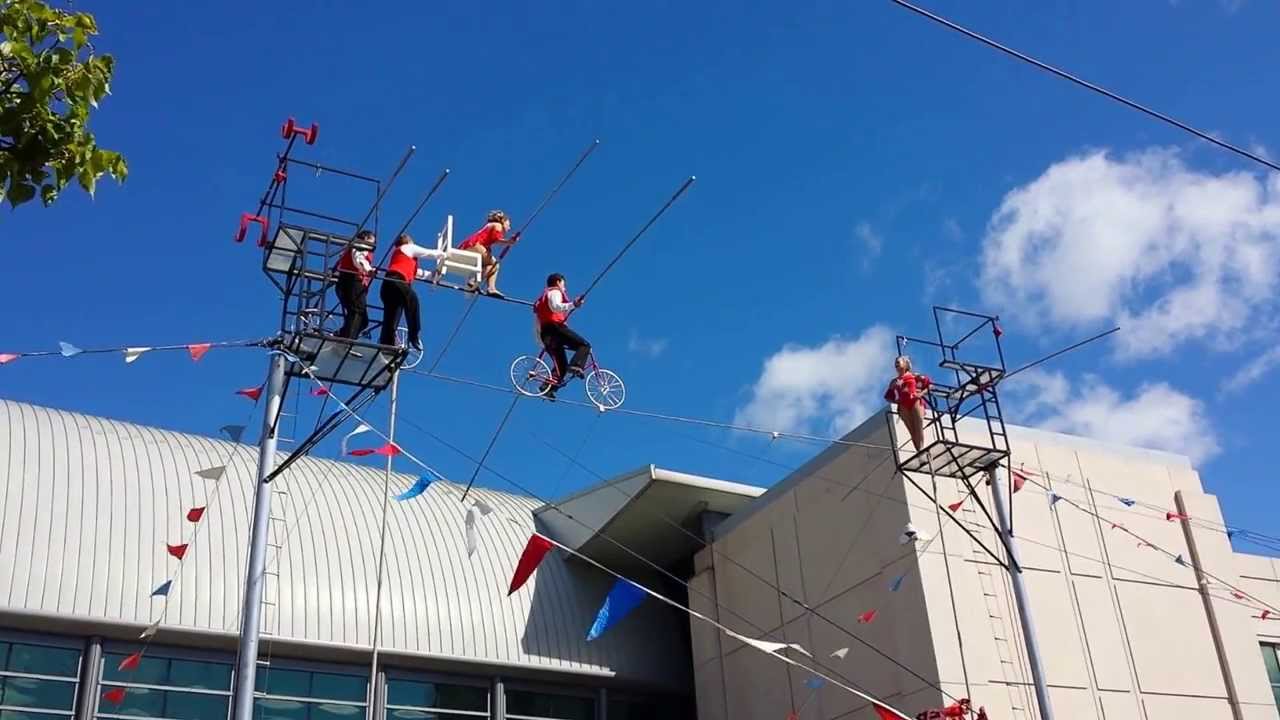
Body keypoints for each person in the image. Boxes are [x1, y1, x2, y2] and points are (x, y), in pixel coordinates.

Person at [378, 233, 445, 351]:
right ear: (408, 241)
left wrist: (434, 274)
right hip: (396, 281)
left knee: (391, 318)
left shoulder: (404, 257)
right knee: (412, 301)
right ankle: (413, 335)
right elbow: (430, 253)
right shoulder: (408, 247)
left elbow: (420, 273)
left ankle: (386, 346)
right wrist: (444, 255)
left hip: (388, 286)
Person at [533, 273, 588, 399]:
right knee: (584, 345)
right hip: (555, 329)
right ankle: (577, 365)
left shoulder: (541, 301)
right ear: (558, 282)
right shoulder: (554, 292)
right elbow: (556, 306)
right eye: (564, 284)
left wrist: (541, 341)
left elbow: (537, 323)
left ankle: (547, 388)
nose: (565, 288)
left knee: (562, 367)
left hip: (546, 334)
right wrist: (573, 304)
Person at [458, 210, 515, 297]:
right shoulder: (498, 225)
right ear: (503, 221)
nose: (509, 227)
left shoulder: (490, 226)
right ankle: (487, 286)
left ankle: (480, 283)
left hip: (468, 246)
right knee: (495, 264)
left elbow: (491, 240)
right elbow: (496, 239)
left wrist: (508, 242)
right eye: (508, 224)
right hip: (475, 245)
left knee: (490, 265)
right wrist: (509, 241)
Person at [333, 230, 376, 340]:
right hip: (352, 282)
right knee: (357, 311)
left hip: (344, 284)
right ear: (366, 238)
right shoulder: (360, 245)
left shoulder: (351, 247)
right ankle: (348, 340)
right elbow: (359, 259)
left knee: (363, 319)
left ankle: (342, 334)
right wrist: (368, 269)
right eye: (371, 242)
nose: (372, 246)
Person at [885, 355, 931, 451]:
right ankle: (919, 450)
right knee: (912, 430)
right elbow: (888, 397)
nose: (896, 364)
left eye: (898, 362)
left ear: (906, 364)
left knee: (918, 426)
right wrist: (896, 400)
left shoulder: (914, 376)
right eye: (895, 363)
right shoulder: (894, 381)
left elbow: (929, 385)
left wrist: (921, 394)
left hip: (915, 401)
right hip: (903, 405)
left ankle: (921, 447)